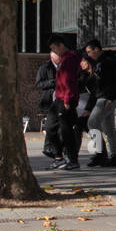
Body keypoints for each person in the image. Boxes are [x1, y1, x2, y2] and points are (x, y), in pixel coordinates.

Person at [84, 38, 116, 168]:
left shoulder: (106, 63)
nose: (88, 54)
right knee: (108, 127)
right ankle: (114, 157)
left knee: (92, 123)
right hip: (109, 98)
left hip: (106, 98)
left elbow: (111, 83)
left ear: (97, 49)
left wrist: (110, 98)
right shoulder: (105, 62)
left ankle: (99, 154)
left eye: (89, 51)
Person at [43, 35, 82, 170]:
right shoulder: (65, 59)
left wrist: (67, 99)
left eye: (54, 48)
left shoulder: (69, 58)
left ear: (61, 45)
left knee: (66, 131)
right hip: (60, 97)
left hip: (66, 98)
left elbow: (69, 80)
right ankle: (59, 156)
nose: (54, 51)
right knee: (50, 126)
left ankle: (72, 159)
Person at [35, 52, 61, 165]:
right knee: (52, 125)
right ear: (52, 57)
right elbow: (38, 84)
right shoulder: (45, 68)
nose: (60, 58)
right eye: (57, 56)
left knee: (57, 126)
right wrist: (52, 82)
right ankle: (50, 148)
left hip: (61, 99)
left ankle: (53, 149)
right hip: (49, 101)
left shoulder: (64, 66)